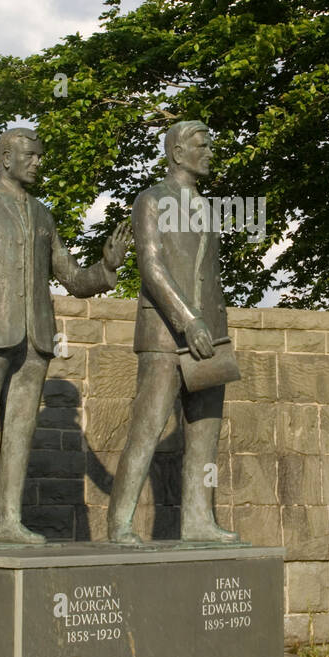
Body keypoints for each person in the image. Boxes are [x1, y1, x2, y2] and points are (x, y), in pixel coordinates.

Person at [0, 126, 130, 547]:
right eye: (30, 155)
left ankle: (6, 520)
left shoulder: (43, 214)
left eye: (39, 156)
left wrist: (107, 268)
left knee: (21, 434)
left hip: (36, 339)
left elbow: (72, 277)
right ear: (5, 158)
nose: (38, 162)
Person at [107, 120, 240, 545]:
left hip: (209, 339)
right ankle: (121, 524)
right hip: (166, 333)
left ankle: (199, 520)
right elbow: (151, 265)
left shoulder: (209, 208)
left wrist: (211, 326)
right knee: (146, 430)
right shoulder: (151, 199)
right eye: (202, 145)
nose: (209, 152)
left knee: (204, 435)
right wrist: (188, 319)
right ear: (177, 153)